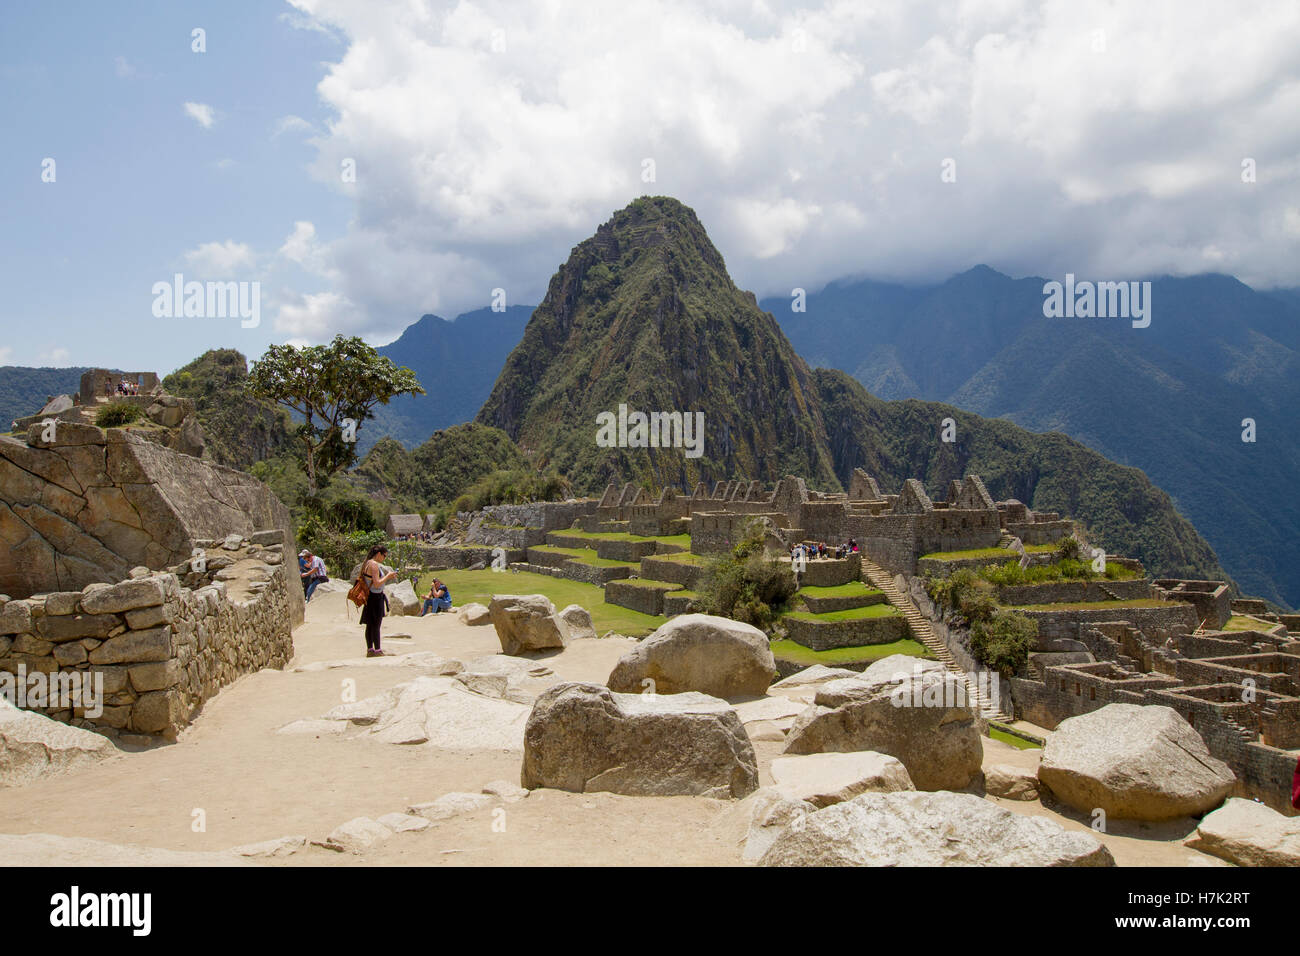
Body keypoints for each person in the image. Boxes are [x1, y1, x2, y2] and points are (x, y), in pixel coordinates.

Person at [359, 544, 397, 657]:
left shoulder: (367, 563)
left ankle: (370, 649)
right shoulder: (374, 565)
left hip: (369, 596)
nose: (384, 558)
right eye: (384, 556)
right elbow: (376, 583)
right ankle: (378, 650)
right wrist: (388, 576)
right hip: (375, 596)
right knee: (376, 624)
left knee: (370, 625)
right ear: (379, 554)